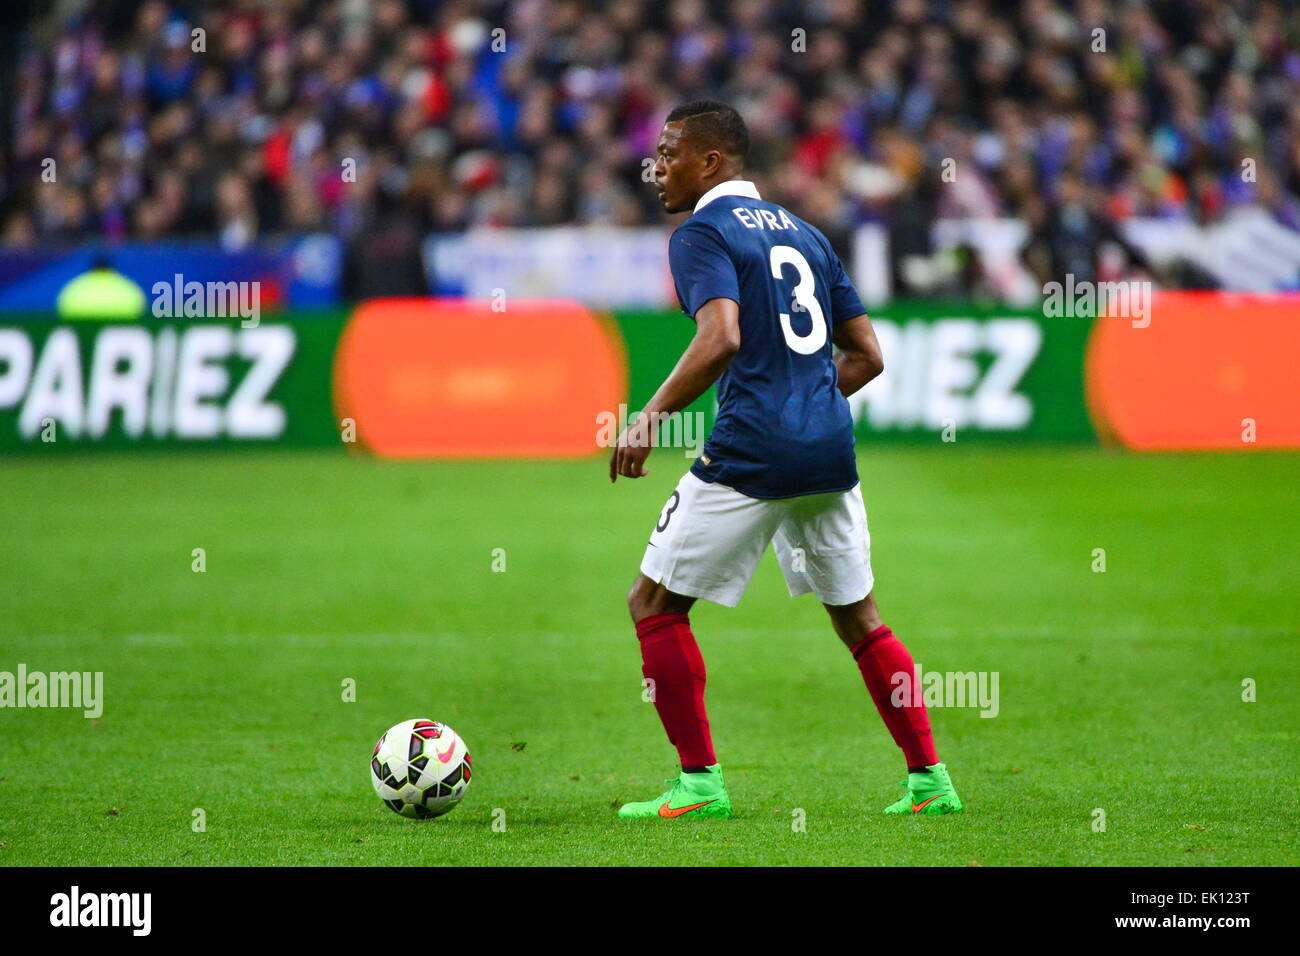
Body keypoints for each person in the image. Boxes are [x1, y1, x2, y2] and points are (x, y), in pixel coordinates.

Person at [609, 101, 962, 819]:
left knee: (653, 603)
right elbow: (867, 355)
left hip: (754, 451)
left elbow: (721, 338)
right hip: (828, 447)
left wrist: (647, 418)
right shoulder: (807, 235)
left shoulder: (702, 232)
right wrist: (805, 399)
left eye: (670, 152)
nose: (657, 168)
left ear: (711, 162)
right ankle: (931, 781)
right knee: (860, 617)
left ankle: (700, 786)